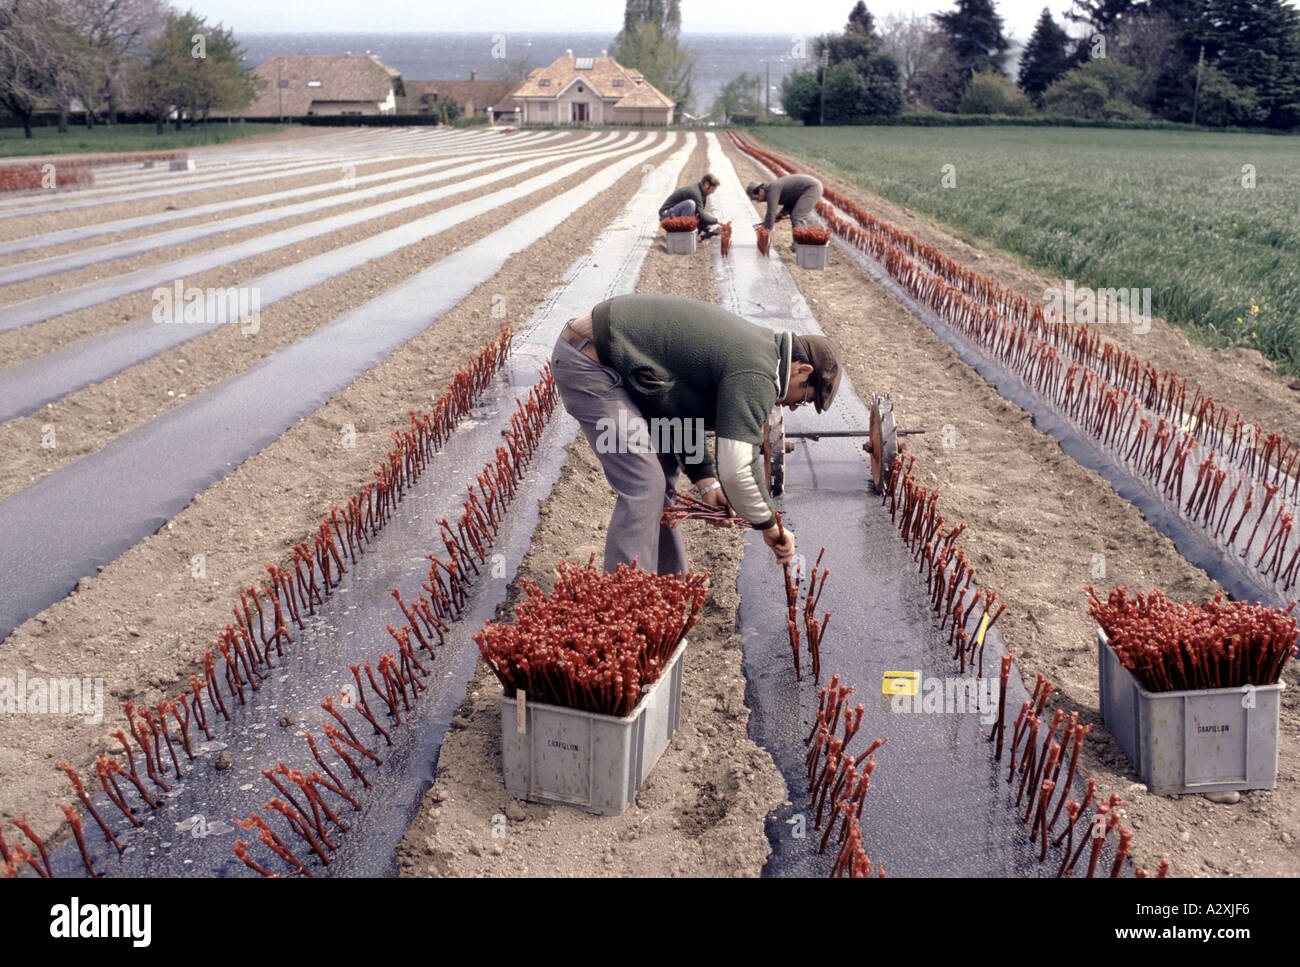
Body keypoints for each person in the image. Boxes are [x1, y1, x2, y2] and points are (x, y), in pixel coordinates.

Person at [550, 293, 843, 575]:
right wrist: (769, 527)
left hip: (622, 364)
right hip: (589, 362)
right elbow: (737, 468)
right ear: (802, 370)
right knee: (644, 480)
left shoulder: (760, 353)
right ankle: (627, 601)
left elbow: (678, 404)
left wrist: (706, 482)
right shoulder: (757, 373)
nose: (793, 407)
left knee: (663, 476)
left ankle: (667, 594)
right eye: (805, 398)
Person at [747, 175, 824, 238]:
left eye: (756, 198)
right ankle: (798, 244)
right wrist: (782, 213)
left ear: (761, 190)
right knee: (795, 215)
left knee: (797, 216)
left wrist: (765, 231)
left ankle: (801, 244)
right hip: (803, 190)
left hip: (811, 188)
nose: (758, 201)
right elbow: (790, 200)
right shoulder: (772, 189)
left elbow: (771, 212)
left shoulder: (772, 189)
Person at [659, 174, 721, 238]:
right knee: (690, 204)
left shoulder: (701, 192)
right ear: (706, 184)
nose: (713, 192)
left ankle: (692, 234)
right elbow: (702, 217)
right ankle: (685, 235)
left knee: (706, 215)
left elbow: (700, 214)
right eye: (713, 189)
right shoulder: (695, 192)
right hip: (666, 216)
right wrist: (719, 221)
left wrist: (709, 229)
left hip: (675, 214)